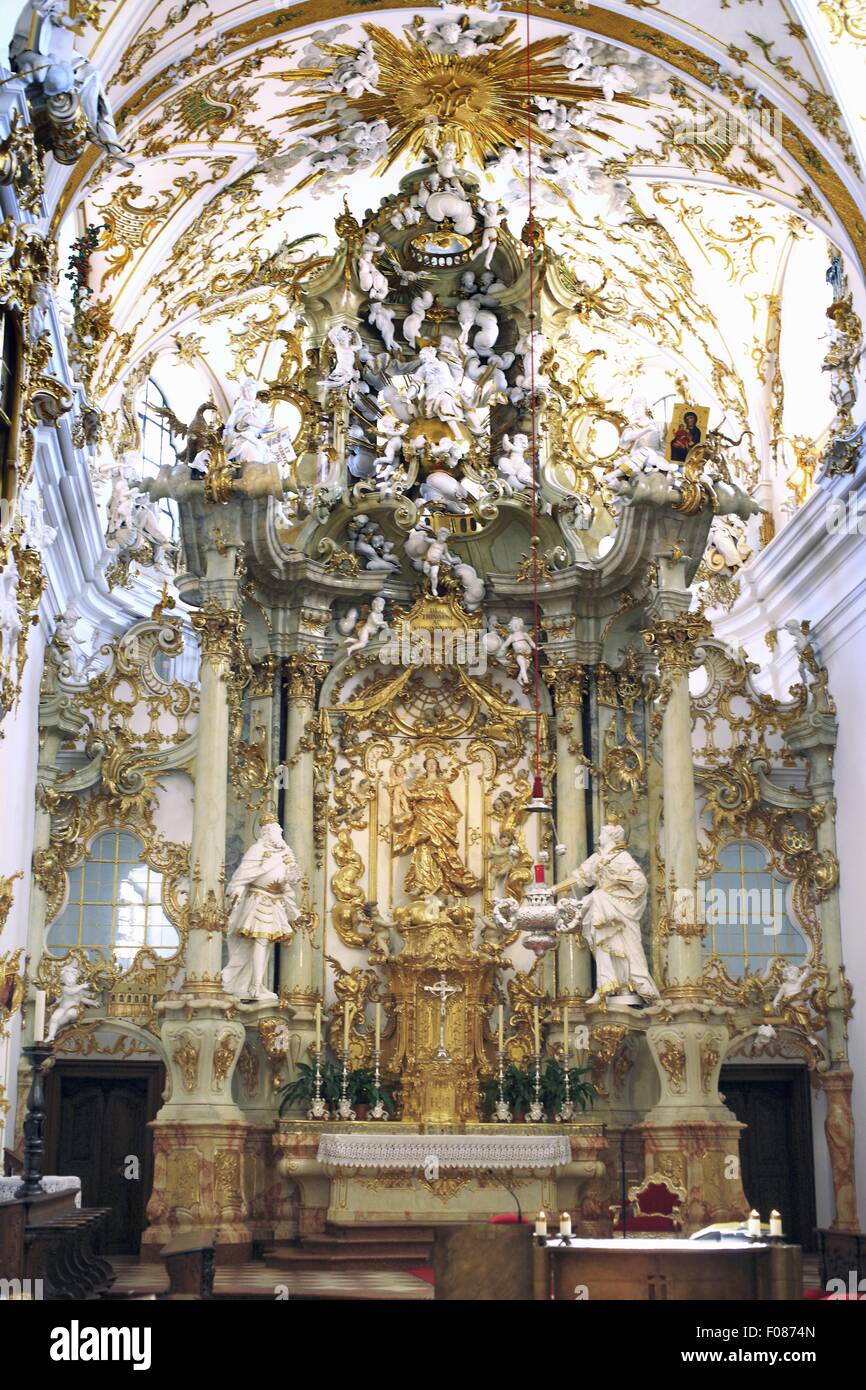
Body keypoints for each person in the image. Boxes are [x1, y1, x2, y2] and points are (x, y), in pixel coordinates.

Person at [553, 823, 659, 1005]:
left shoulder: (622, 857)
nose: (599, 838)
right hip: (601, 906)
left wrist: (616, 878)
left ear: (611, 837)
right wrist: (554, 889)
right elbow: (579, 878)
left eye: (602, 834)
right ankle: (605, 986)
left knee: (628, 949)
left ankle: (632, 985)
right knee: (601, 944)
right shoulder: (597, 858)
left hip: (620, 909)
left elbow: (640, 882)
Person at [222, 814, 301, 1001]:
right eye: (276, 831)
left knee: (265, 945)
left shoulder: (285, 853)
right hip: (258, 900)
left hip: (275, 902)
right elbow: (243, 875)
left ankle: (256, 984)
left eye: (280, 831)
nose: (279, 833)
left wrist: (292, 868)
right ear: (266, 833)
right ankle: (254, 986)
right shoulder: (257, 850)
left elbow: (291, 881)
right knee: (260, 942)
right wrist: (237, 891)